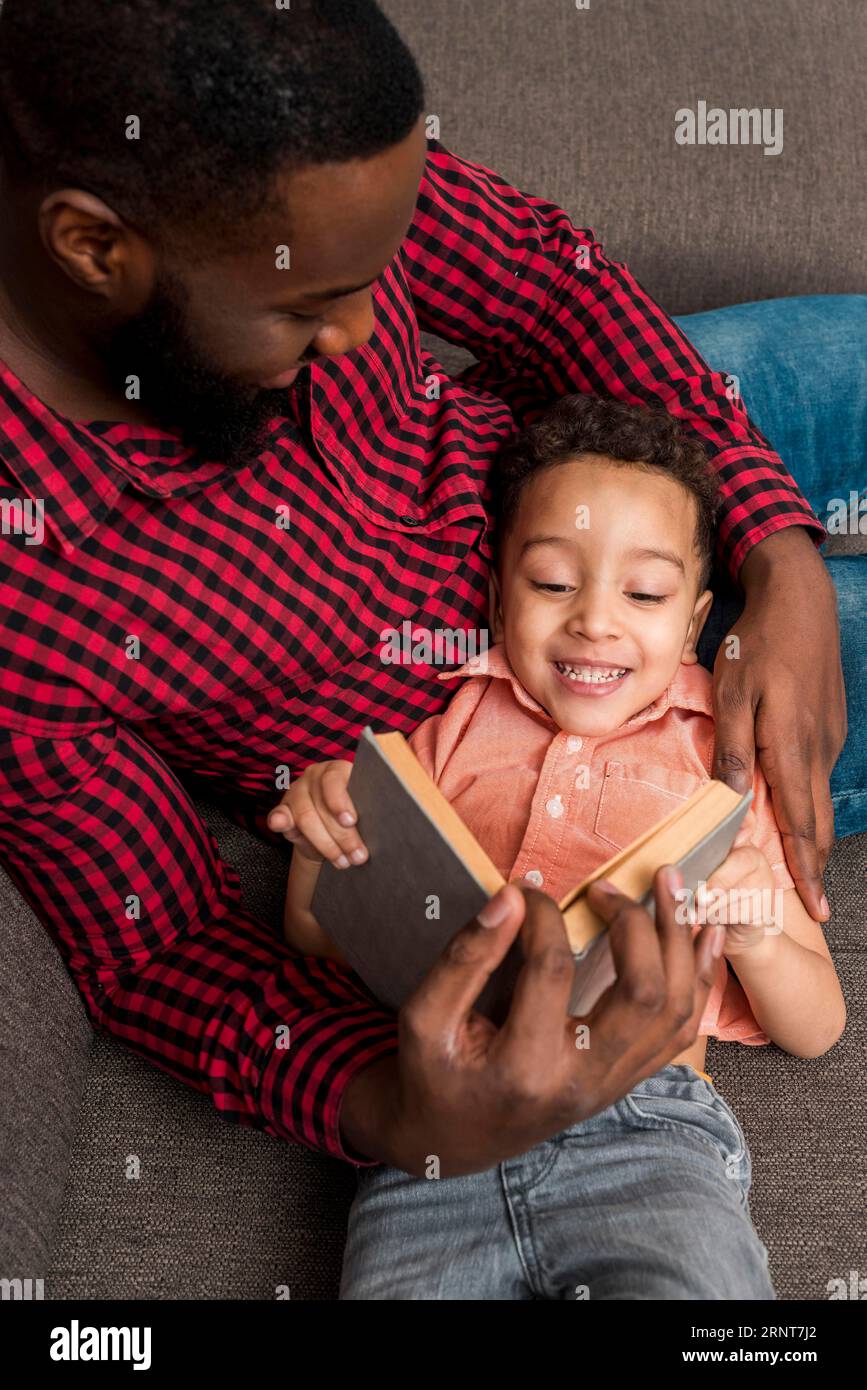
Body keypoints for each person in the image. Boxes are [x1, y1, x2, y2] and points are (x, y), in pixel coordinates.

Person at [0, 1, 859, 1203]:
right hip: (593, 740)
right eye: (308, 310)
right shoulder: (25, 595)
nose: (361, 336)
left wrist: (774, 545)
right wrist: (394, 1103)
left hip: (611, 460)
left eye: (370, 281)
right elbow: (161, 947)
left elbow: (534, 276)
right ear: (95, 249)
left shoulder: (300, 163)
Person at [276, 395, 846, 1298]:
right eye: (550, 583)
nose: (592, 620)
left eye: (644, 594)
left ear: (693, 621)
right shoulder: (449, 732)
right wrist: (321, 831)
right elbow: (316, 935)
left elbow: (817, 1029)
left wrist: (755, 929)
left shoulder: (717, 774)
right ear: (500, 599)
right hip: (436, 1140)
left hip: (647, 1133)